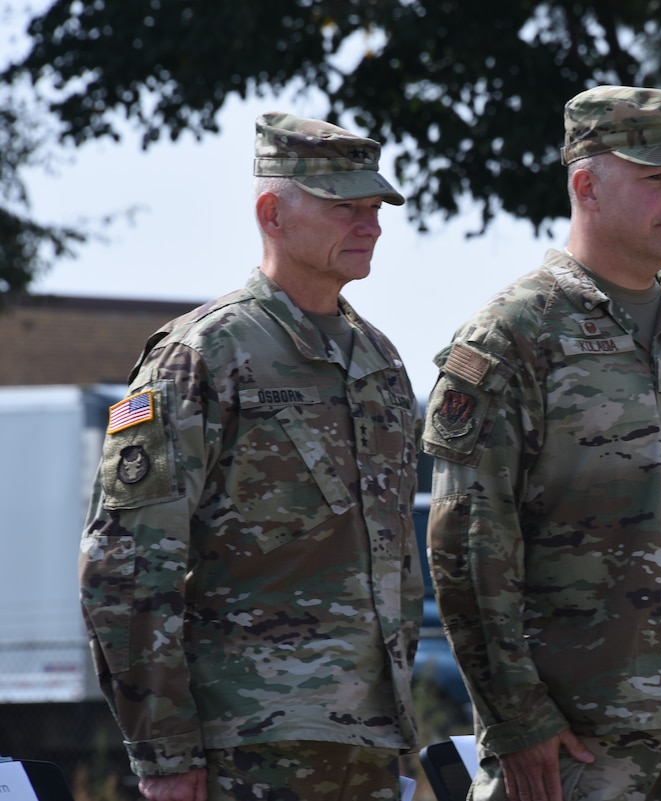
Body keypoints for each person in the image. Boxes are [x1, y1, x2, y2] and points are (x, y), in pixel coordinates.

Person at [422, 85, 661, 801]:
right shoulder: (513, 335)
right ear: (587, 185)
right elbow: (468, 545)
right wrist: (516, 721)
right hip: (570, 746)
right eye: (656, 178)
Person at [79, 112, 424, 801]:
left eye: (375, 207)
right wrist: (165, 750)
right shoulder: (201, 354)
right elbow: (125, 563)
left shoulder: (381, 361)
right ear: (273, 212)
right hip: (243, 745)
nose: (371, 224)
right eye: (345, 207)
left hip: (369, 743)